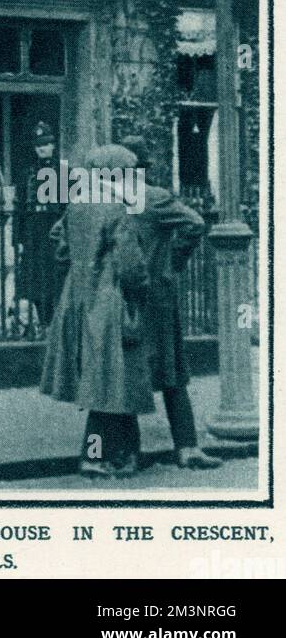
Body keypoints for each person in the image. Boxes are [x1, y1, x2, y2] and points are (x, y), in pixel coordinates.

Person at [41, 143, 154, 478]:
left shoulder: (76, 206)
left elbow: (60, 249)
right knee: (109, 382)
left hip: (77, 298)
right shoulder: (118, 209)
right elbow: (130, 266)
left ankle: (121, 453)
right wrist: (140, 290)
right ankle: (95, 456)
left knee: (105, 380)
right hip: (109, 301)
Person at [121, 135, 222, 472]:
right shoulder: (157, 198)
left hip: (125, 299)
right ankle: (186, 447)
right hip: (158, 298)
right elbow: (196, 223)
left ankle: (130, 453)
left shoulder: (108, 201)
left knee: (129, 374)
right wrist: (173, 262)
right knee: (172, 372)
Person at [16, 120, 64, 335]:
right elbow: (19, 208)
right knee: (34, 278)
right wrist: (17, 239)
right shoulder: (27, 172)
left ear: (53, 145)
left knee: (56, 275)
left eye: (46, 144)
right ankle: (42, 321)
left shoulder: (64, 172)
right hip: (33, 232)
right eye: (38, 145)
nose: (42, 148)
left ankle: (55, 321)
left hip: (55, 230)